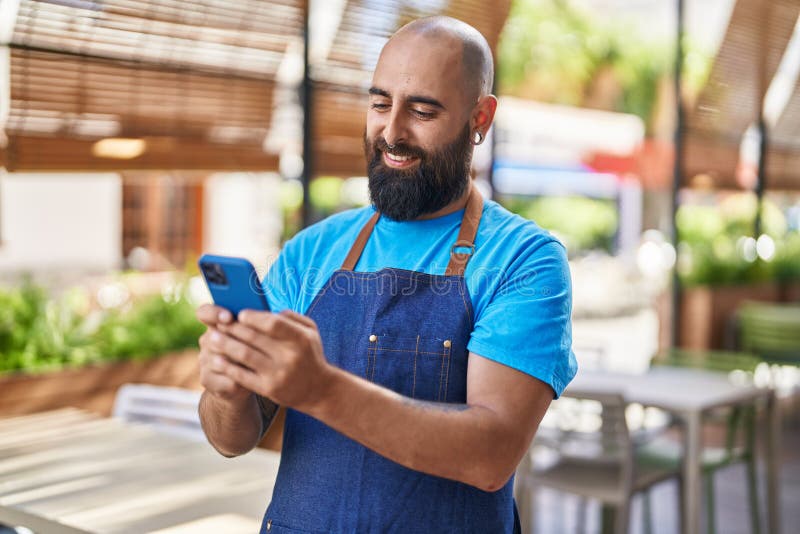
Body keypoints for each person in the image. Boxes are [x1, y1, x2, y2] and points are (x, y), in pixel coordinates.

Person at [195, 15, 577, 534]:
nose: (392, 132)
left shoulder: (524, 259)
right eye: (380, 103)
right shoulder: (312, 251)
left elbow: (491, 454)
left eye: (422, 110)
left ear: (479, 118)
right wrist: (225, 390)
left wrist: (320, 390)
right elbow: (232, 439)